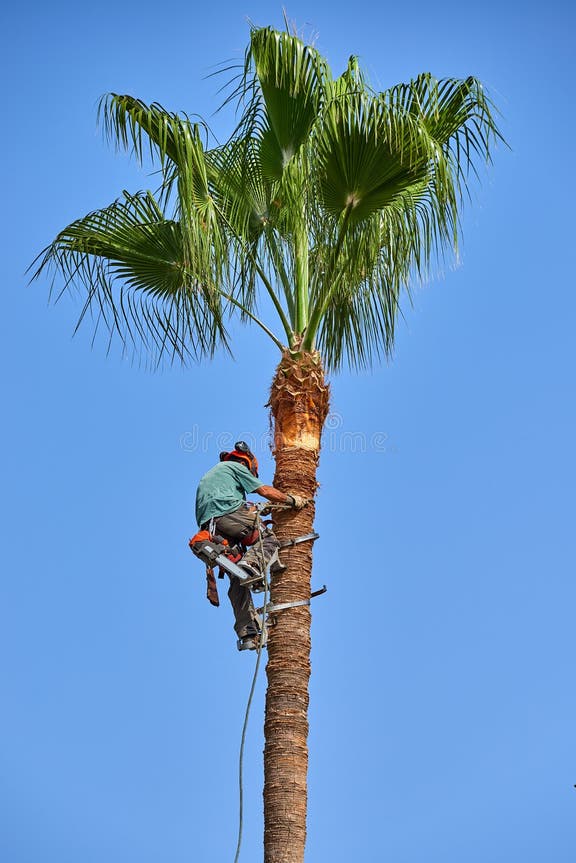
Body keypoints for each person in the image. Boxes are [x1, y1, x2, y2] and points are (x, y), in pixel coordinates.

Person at [195, 441, 307, 650]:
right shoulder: (236, 467)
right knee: (269, 540)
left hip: (212, 528)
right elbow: (263, 490)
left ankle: (248, 632)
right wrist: (291, 500)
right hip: (226, 516)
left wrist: (253, 510)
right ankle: (253, 564)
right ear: (247, 462)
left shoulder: (215, 476)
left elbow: (228, 504)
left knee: (238, 578)